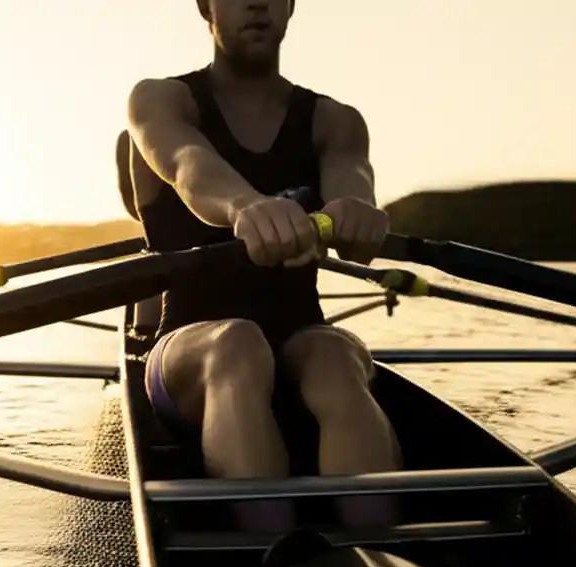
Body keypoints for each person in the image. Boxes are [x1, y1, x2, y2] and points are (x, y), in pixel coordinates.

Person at [124, 0, 401, 531]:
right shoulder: (158, 99)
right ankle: (274, 553)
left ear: (291, 6)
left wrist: (356, 214)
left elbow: (351, 184)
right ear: (206, 6)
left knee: (337, 353)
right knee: (239, 344)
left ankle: (378, 558)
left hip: (301, 337)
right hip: (190, 344)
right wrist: (244, 207)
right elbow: (188, 165)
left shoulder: (334, 120)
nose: (258, 2)